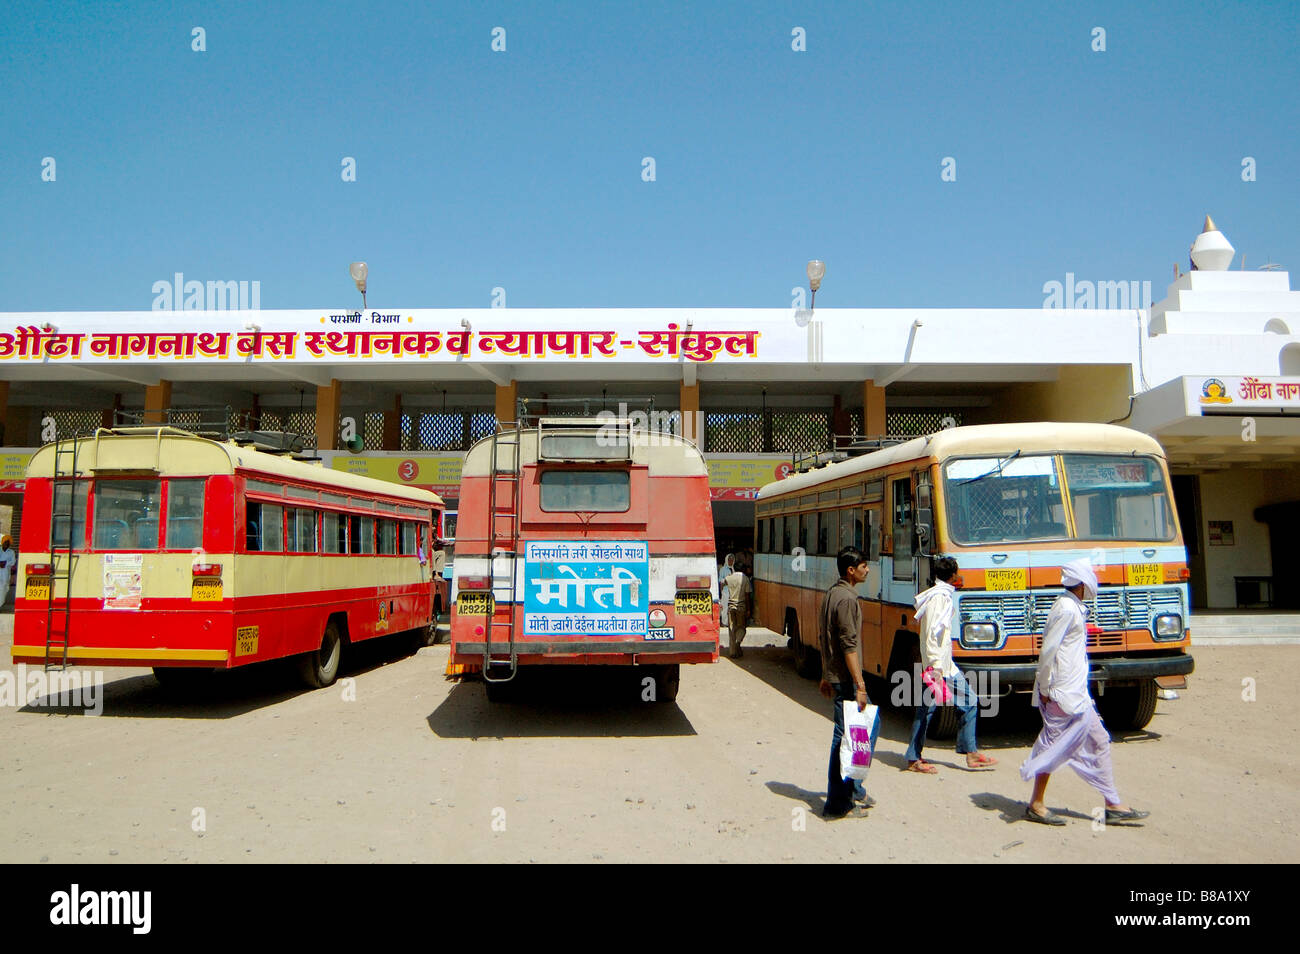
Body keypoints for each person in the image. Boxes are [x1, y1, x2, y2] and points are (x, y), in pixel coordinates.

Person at [1021, 559, 1150, 826]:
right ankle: (1036, 804)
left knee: (1100, 740)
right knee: (1052, 749)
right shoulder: (1066, 608)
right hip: (1062, 694)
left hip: (1078, 695)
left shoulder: (1075, 607)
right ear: (1081, 582)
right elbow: (1048, 651)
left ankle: (1113, 803)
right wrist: (1045, 688)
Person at [905, 556, 997, 773]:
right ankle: (914, 758)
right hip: (938, 668)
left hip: (946, 666)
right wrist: (936, 667)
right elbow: (931, 634)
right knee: (927, 711)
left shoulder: (941, 595)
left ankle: (970, 752)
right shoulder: (939, 598)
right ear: (953, 575)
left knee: (969, 701)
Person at [817, 546, 879, 818]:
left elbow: (825, 638)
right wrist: (860, 685)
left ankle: (852, 788)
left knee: (859, 733)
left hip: (837, 676)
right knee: (845, 740)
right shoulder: (847, 600)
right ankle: (838, 804)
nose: (868, 569)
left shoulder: (833, 593)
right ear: (850, 571)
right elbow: (847, 645)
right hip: (846, 680)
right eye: (863, 566)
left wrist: (824, 674)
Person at [723, 559, 752, 659]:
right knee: (741, 628)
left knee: (731, 629)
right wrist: (749, 610)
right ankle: (738, 641)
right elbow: (747, 595)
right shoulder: (746, 579)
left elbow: (723, 583)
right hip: (741, 607)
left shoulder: (729, 578)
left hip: (731, 606)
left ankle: (732, 652)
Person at [0, 535, 14, 607]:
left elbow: (13, 562)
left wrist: (5, 563)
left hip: (5, 573)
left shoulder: (11, 552)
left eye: (8, 543)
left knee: (4, 589)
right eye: (5, 542)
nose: (7, 544)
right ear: (2, 542)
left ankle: (0, 604)